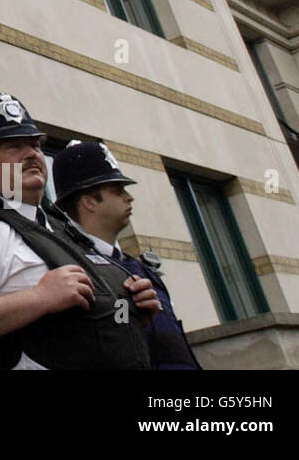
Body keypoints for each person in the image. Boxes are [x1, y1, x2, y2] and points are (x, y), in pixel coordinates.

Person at [0, 92, 159, 370]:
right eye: (14, 146)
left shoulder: (66, 228)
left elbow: (96, 323)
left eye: (36, 145)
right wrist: (40, 297)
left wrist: (131, 310)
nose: (31, 154)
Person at [52, 141, 201, 369]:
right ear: (89, 202)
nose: (129, 197)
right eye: (118, 190)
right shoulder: (74, 273)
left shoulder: (141, 269)